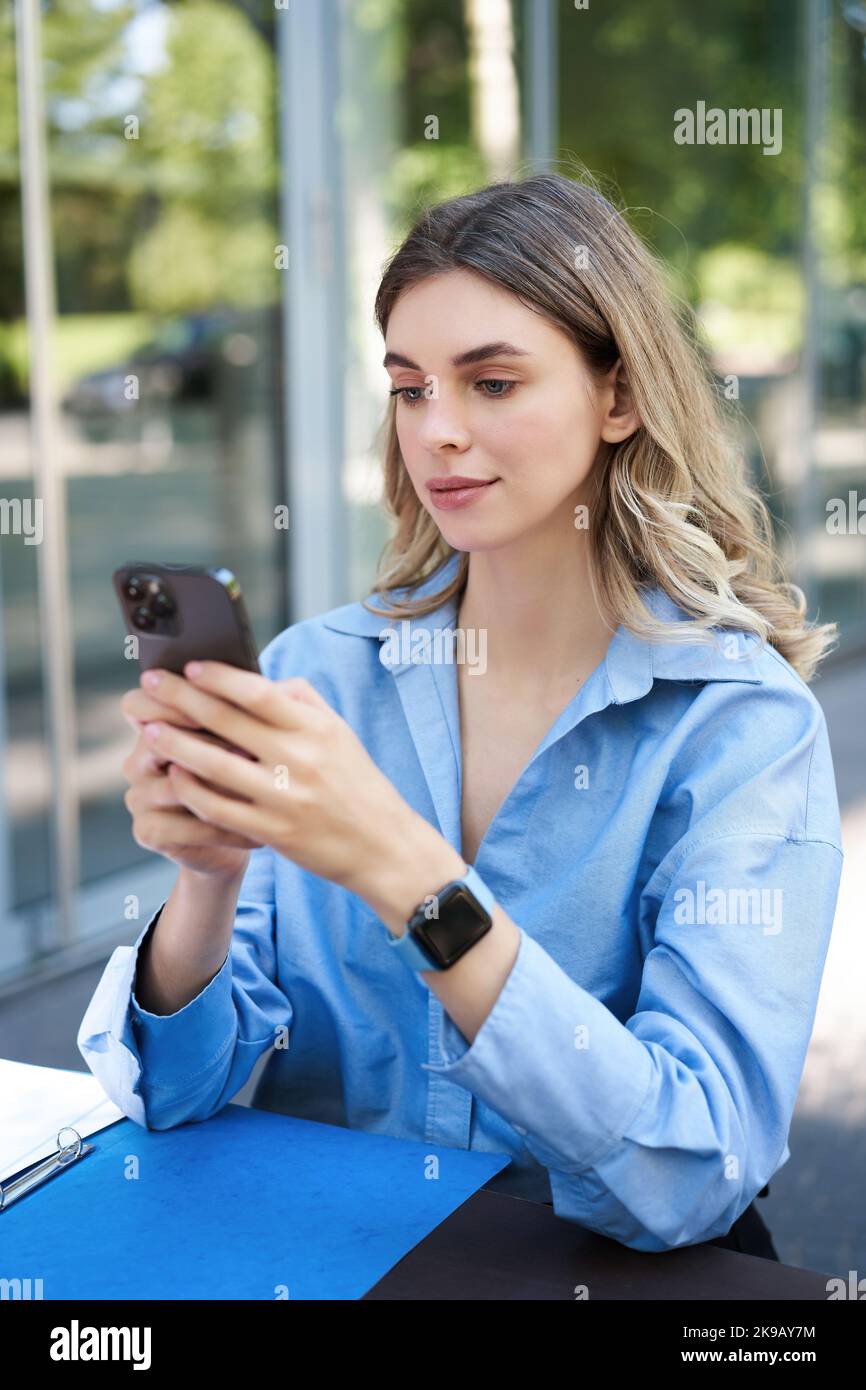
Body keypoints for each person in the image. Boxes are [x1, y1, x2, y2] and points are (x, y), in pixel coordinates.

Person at [79, 170, 843, 1259]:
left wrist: (412, 880)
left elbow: (694, 1168)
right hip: (336, 1266)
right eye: (408, 387)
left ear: (616, 397)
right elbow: (171, 1095)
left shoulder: (737, 728)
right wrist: (209, 879)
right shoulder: (318, 672)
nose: (434, 431)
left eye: (489, 383)